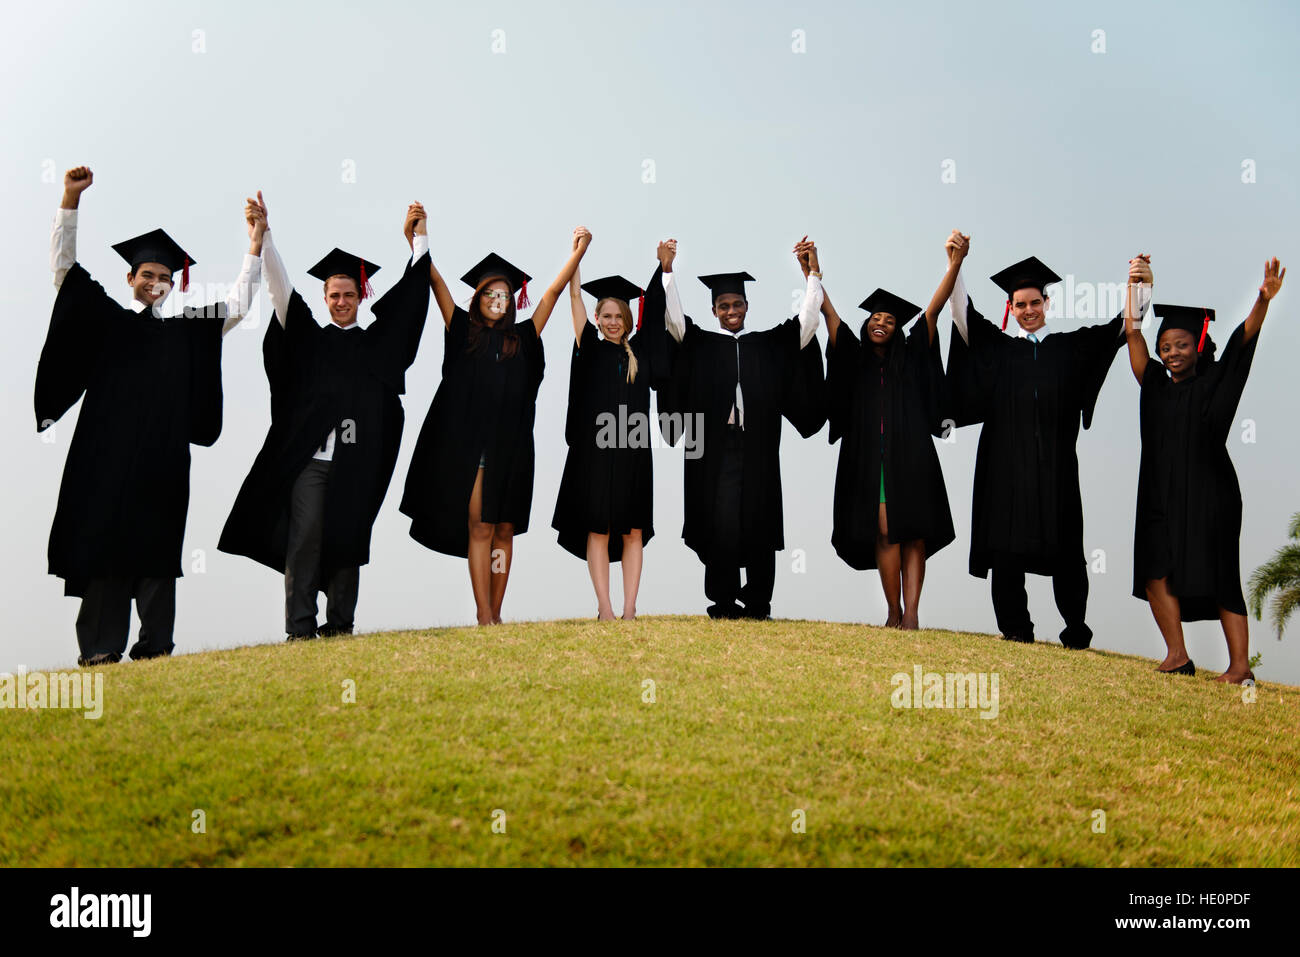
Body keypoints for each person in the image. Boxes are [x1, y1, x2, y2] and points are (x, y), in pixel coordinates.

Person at [37, 165, 260, 665]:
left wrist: (254, 244)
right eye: (147, 275)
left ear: (173, 283)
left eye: (164, 276)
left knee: (158, 550)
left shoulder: (185, 332)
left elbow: (240, 304)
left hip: (161, 463)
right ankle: (99, 649)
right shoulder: (107, 322)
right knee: (103, 545)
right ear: (131, 278)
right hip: (103, 459)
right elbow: (64, 272)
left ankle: (156, 645)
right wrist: (69, 202)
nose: (156, 282)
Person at [218, 194, 431, 641]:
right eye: (334, 294)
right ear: (325, 296)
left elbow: (412, 306)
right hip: (311, 463)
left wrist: (419, 242)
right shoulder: (310, 341)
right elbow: (280, 290)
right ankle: (299, 629)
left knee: (348, 540)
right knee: (304, 540)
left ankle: (340, 625)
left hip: (357, 463)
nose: (341, 301)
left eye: (348, 294)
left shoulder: (376, 347)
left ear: (360, 295)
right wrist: (264, 236)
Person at [946, 251, 1153, 647]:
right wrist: (956, 264)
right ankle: (1015, 629)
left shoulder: (1069, 349)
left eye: (1035, 303)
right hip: (1004, 468)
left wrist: (1140, 285)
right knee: (1006, 548)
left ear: (1046, 304)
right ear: (1010, 307)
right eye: (1020, 305)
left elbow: (1124, 326)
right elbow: (961, 313)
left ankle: (1076, 629)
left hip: (1056, 467)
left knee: (1067, 550)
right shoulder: (1000, 349)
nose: (1028, 311)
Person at [399, 209, 591, 624]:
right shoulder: (462, 330)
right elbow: (436, 281)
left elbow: (554, 294)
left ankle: (498, 611)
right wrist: (420, 237)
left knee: (505, 531)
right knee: (481, 528)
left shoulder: (524, 336)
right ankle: (483, 612)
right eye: (490, 294)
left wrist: (580, 251)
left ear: (511, 302)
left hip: (514, 447)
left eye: (503, 295)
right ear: (479, 297)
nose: (496, 300)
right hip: (473, 449)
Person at [1126, 258, 1285, 683]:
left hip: (1210, 494)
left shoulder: (1216, 383)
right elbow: (1132, 333)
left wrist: (1262, 300)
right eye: (1166, 347)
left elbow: (1241, 341)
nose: (1172, 353)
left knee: (1219, 573)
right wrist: (1138, 289)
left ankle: (1239, 667)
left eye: (1181, 345)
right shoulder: (1155, 386)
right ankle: (1177, 655)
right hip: (1159, 494)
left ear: (1197, 345)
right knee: (1154, 569)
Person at [653, 238, 826, 620]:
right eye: (723, 306)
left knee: (760, 522)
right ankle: (724, 600)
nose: (731, 311)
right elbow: (673, 320)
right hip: (714, 449)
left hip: (759, 447)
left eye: (737, 304)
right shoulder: (701, 345)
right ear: (714, 311)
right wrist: (667, 271)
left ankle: (759, 602)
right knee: (720, 522)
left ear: (747, 307)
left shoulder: (768, 345)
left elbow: (809, 322)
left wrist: (812, 274)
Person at [816, 231, 967, 629]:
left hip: (911, 454)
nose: (881, 323)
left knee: (914, 532)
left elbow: (932, 312)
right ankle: (892, 610)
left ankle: (913, 613)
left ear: (898, 329)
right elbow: (830, 317)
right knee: (884, 531)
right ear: (867, 325)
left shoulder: (912, 356)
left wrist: (955, 265)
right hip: (868, 458)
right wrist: (813, 275)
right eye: (875, 318)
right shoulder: (853, 356)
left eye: (889, 320)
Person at [552, 247, 674, 620]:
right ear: (596, 317)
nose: (613, 321)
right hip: (596, 451)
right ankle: (605, 607)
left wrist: (664, 266)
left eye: (619, 315)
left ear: (627, 319)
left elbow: (656, 312)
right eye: (606, 315)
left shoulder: (641, 351)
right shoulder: (588, 346)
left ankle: (630, 608)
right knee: (600, 528)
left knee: (633, 530)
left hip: (635, 448)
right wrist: (577, 253)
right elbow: (572, 295)